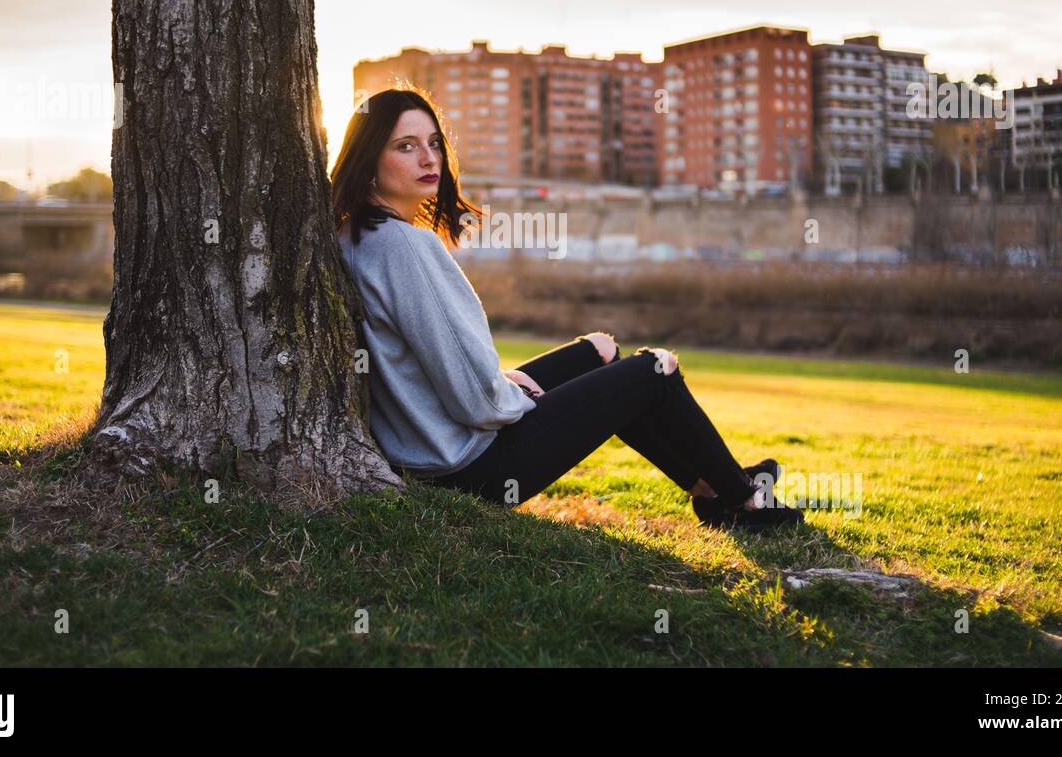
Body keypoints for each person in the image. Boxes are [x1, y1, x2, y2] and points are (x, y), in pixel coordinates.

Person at [331, 87, 804, 533]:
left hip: (430, 449)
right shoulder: (405, 247)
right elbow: (473, 399)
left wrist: (507, 384)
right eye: (406, 146)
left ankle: (711, 486)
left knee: (599, 351)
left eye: (433, 142)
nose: (429, 157)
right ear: (369, 159)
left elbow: (437, 365)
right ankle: (743, 501)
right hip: (471, 464)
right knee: (654, 369)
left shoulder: (356, 238)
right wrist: (519, 396)